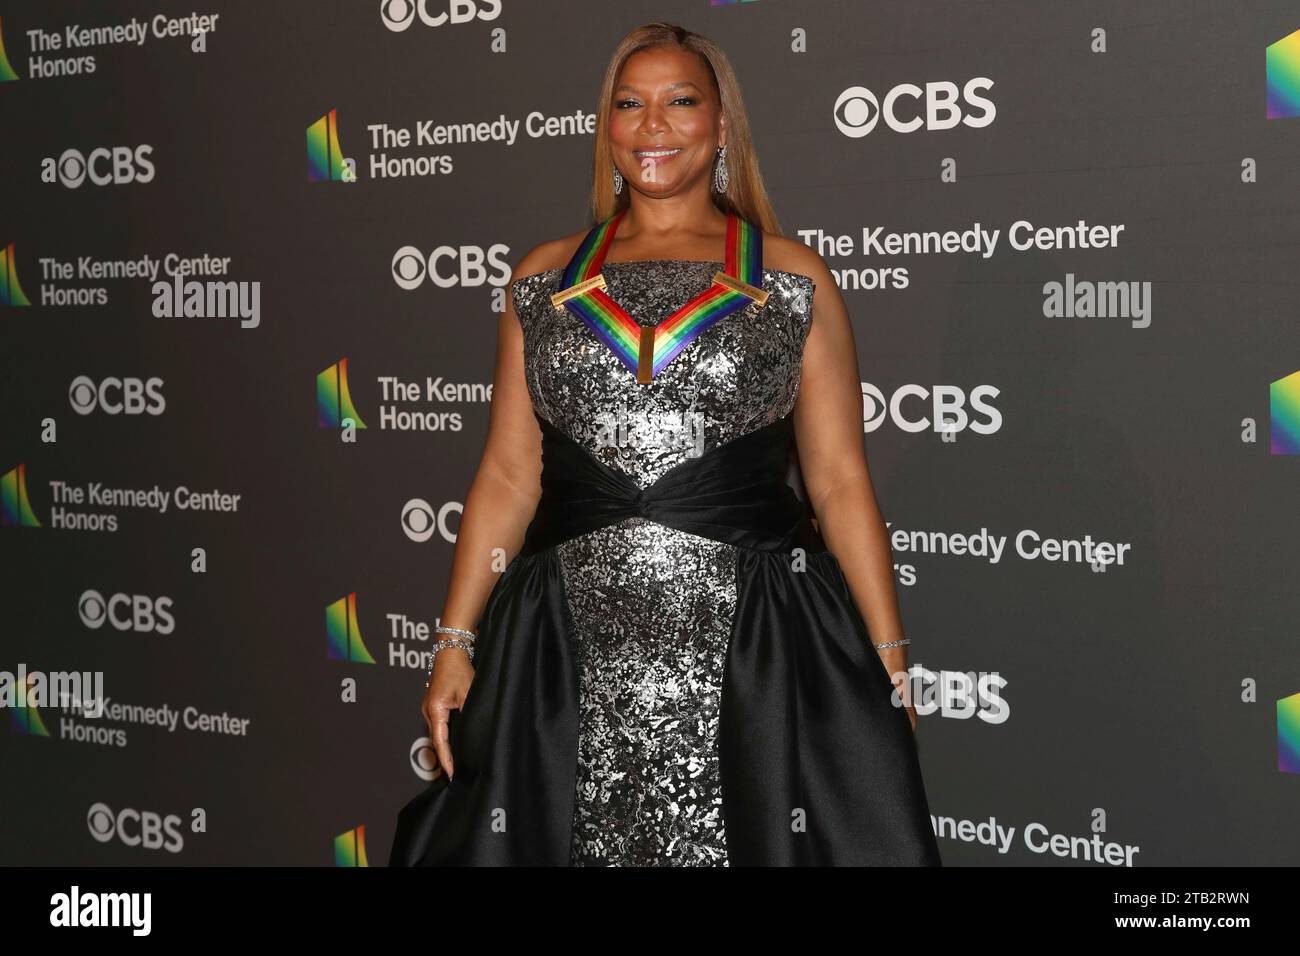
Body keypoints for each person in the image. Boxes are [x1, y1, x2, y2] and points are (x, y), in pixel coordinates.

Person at [389, 21, 942, 867]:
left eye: (681, 101)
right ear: (606, 129)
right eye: (630, 104)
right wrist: (455, 643)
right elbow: (507, 474)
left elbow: (836, 482)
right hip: (561, 644)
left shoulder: (790, 280)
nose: (654, 125)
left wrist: (889, 657)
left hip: (757, 639)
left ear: (722, 126)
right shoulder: (541, 281)